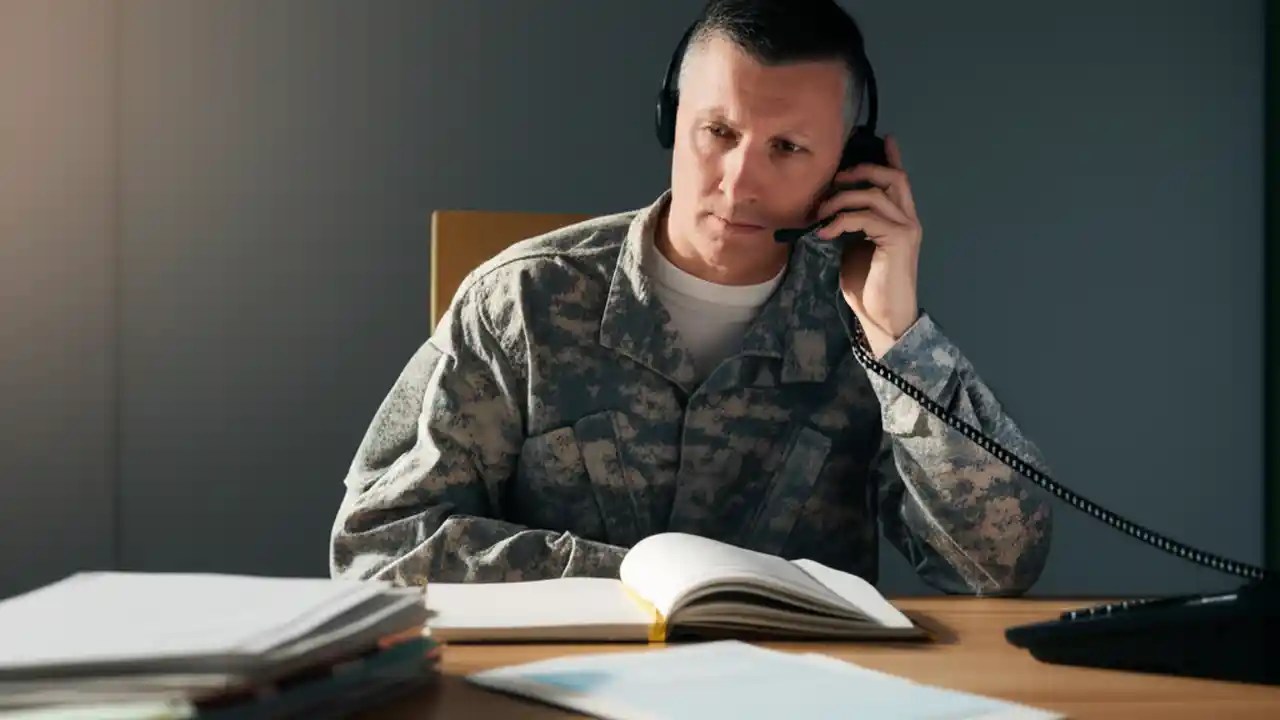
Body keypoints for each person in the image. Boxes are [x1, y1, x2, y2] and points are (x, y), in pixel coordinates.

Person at [328, 0, 1054, 596]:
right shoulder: (522, 301)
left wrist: (899, 336)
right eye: (719, 131)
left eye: (788, 148)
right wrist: (638, 578)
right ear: (671, 120)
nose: (739, 183)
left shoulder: (862, 334)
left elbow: (996, 568)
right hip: (556, 692)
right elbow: (379, 547)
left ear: (848, 165)